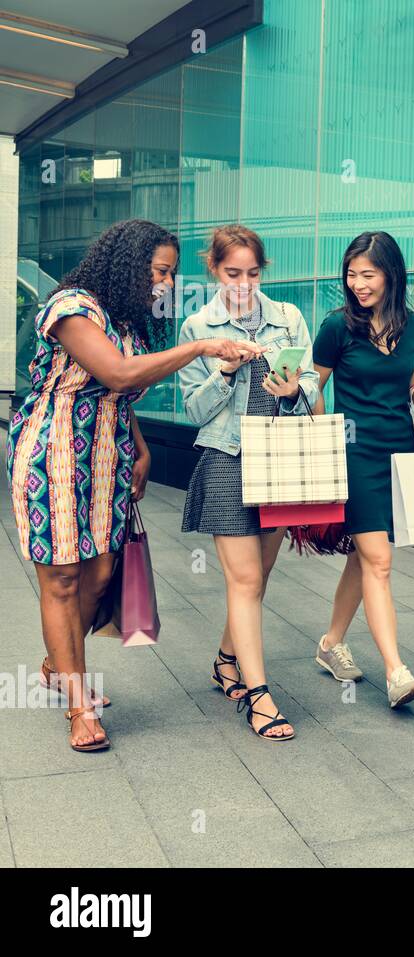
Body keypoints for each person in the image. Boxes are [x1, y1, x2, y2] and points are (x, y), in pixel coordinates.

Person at [6, 219, 256, 752]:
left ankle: (57, 662)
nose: (165, 283)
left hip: (108, 456)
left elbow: (121, 392)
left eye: (169, 274)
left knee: (100, 572)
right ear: (128, 265)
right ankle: (79, 705)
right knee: (64, 578)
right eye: (160, 272)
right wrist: (203, 347)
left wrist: (140, 446)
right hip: (51, 455)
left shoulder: (126, 318)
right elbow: (118, 373)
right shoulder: (71, 307)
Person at [177, 225, 320, 741]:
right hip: (226, 458)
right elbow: (193, 409)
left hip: (278, 460)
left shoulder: (288, 319)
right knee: (244, 581)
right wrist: (227, 373)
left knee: (258, 576)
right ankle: (260, 698)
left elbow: (310, 391)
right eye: (233, 273)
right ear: (214, 269)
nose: (244, 283)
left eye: (253, 273)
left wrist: (290, 390)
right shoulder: (198, 326)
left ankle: (225, 661)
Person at [310, 231, 414, 709]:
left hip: (398, 452)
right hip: (354, 454)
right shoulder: (336, 327)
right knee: (380, 561)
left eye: (368, 274)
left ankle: (330, 643)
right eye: (351, 274)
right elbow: (312, 386)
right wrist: (324, 436)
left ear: (391, 275)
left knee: (364, 558)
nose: (357, 283)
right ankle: (396, 672)